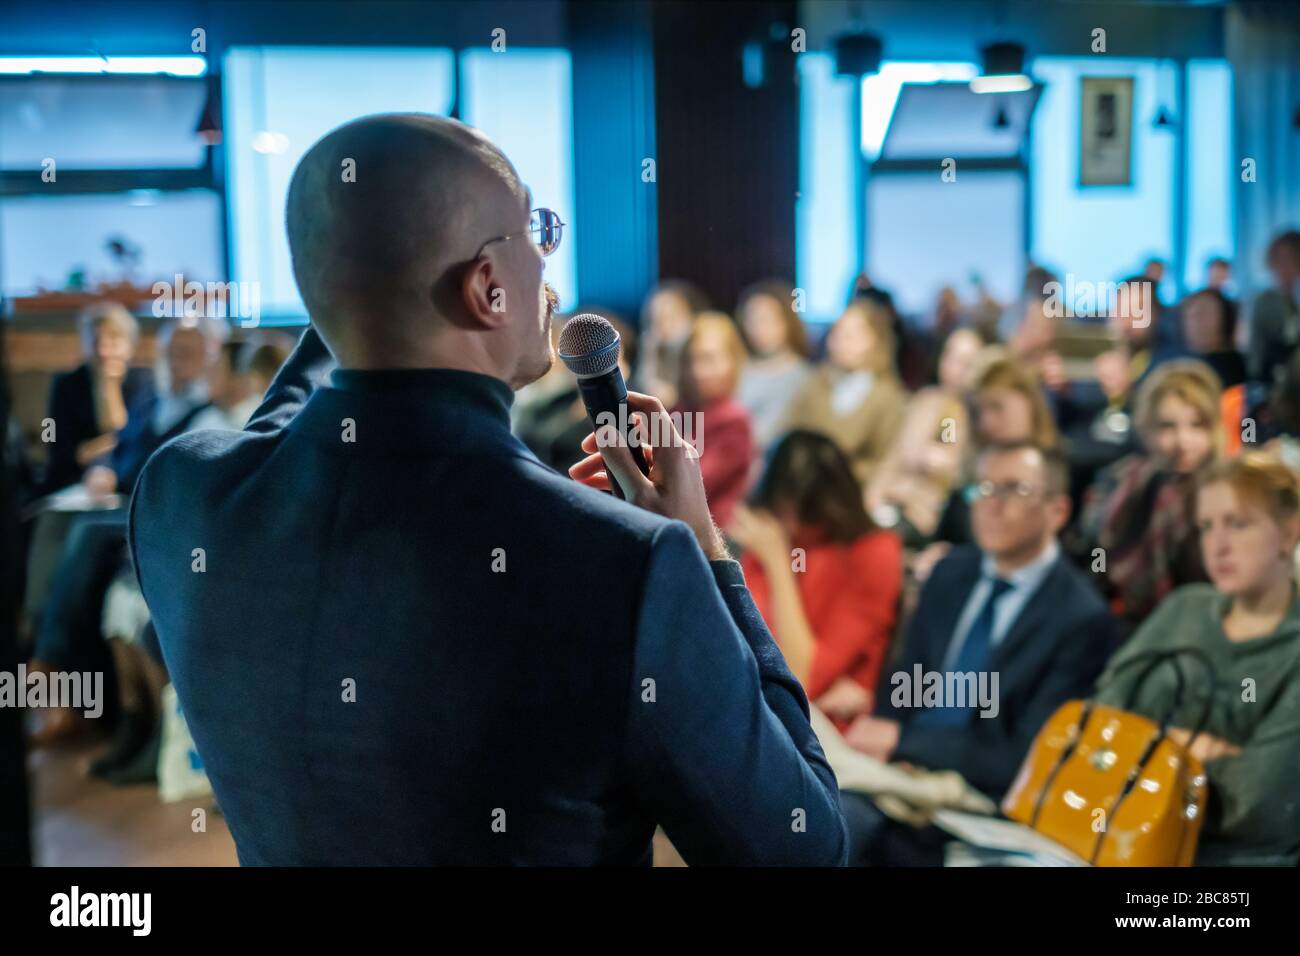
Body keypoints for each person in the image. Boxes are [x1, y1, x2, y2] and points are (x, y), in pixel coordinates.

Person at [131, 114, 847, 866]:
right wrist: (708, 550)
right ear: (487, 288)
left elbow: (309, 371)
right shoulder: (629, 563)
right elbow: (802, 848)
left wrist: (368, 252)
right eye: (535, 232)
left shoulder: (182, 497)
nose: (550, 266)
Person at [839, 441, 1118, 865]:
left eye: (1013, 490)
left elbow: (1027, 759)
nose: (992, 505)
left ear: (1057, 512)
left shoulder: (1080, 617)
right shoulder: (951, 573)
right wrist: (887, 736)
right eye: (983, 490)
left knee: (846, 825)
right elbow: (904, 685)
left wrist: (907, 743)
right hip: (900, 772)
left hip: (980, 796)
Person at [1095, 454, 1300, 865]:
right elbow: (1099, 727)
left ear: (1289, 531)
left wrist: (1149, 746)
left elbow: (1256, 804)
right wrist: (1198, 749)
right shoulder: (1184, 608)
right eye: (1206, 527)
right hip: (1116, 846)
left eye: (1238, 524)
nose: (1218, 545)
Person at [730, 431, 902, 727]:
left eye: (803, 514)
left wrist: (777, 561)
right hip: (755, 707)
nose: (791, 525)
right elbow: (737, 643)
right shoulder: (774, 533)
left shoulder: (873, 552)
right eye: (782, 511)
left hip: (815, 730)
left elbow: (800, 676)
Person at [1070, 360, 1222, 634]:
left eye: (1197, 425)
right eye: (1167, 426)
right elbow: (1096, 557)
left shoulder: (1226, 492)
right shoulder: (1120, 482)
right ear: (1147, 428)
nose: (1183, 440)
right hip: (1127, 626)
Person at [866, 327, 982, 546]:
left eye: (965, 362)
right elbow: (894, 456)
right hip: (890, 498)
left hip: (924, 512)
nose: (954, 367)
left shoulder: (968, 413)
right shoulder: (925, 400)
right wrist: (873, 497)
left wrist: (931, 458)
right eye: (951, 355)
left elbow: (951, 465)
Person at [783, 298, 906, 487]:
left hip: (854, 494)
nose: (842, 342)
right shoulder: (814, 383)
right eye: (837, 334)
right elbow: (790, 434)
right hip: (803, 487)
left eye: (853, 335)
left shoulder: (888, 397)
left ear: (876, 340)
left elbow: (884, 462)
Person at [40, 302, 153, 495]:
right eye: (96, 341)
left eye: (113, 341)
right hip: (73, 482)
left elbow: (137, 443)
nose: (104, 351)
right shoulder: (65, 385)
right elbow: (55, 445)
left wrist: (109, 389)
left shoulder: (145, 382)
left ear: (129, 345)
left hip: (130, 482)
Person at [670, 312, 754, 528]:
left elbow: (695, 485)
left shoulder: (734, 420)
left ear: (732, 361)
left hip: (714, 535)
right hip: (677, 523)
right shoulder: (679, 410)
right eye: (692, 360)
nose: (698, 371)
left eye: (709, 359)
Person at [735, 280, 811, 450]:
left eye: (767, 319)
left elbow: (768, 434)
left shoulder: (802, 376)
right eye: (752, 320)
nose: (759, 328)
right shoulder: (736, 367)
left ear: (787, 322)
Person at [635, 279, 708, 408]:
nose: (665, 326)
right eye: (656, 320)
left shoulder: (702, 352)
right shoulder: (652, 350)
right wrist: (649, 354)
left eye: (672, 317)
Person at [1246, 230, 1300, 387]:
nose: (1286, 268)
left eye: (1292, 260)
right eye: (1280, 260)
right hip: (1273, 378)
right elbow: (1256, 348)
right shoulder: (1264, 301)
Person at [1181, 288, 1246, 389]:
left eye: (1201, 314)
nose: (1192, 324)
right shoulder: (1185, 366)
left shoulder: (1236, 372)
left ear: (1226, 320)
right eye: (1188, 316)